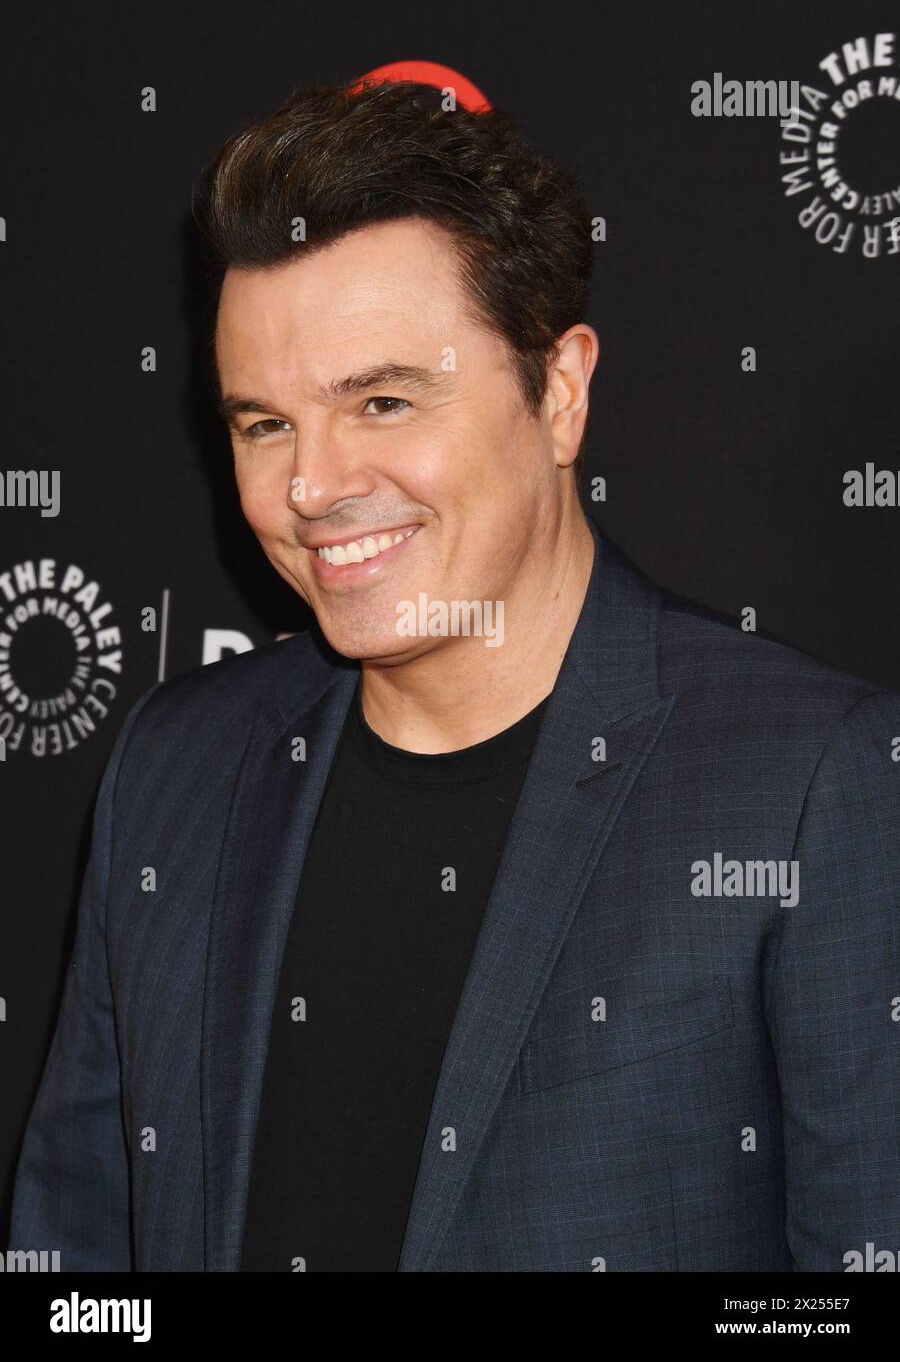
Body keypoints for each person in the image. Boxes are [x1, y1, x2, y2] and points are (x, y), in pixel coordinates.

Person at [10, 80, 900, 1272]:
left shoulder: (810, 782)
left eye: (381, 400)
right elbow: (77, 1265)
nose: (312, 486)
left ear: (562, 391)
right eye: (263, 424)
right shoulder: (177, 768)